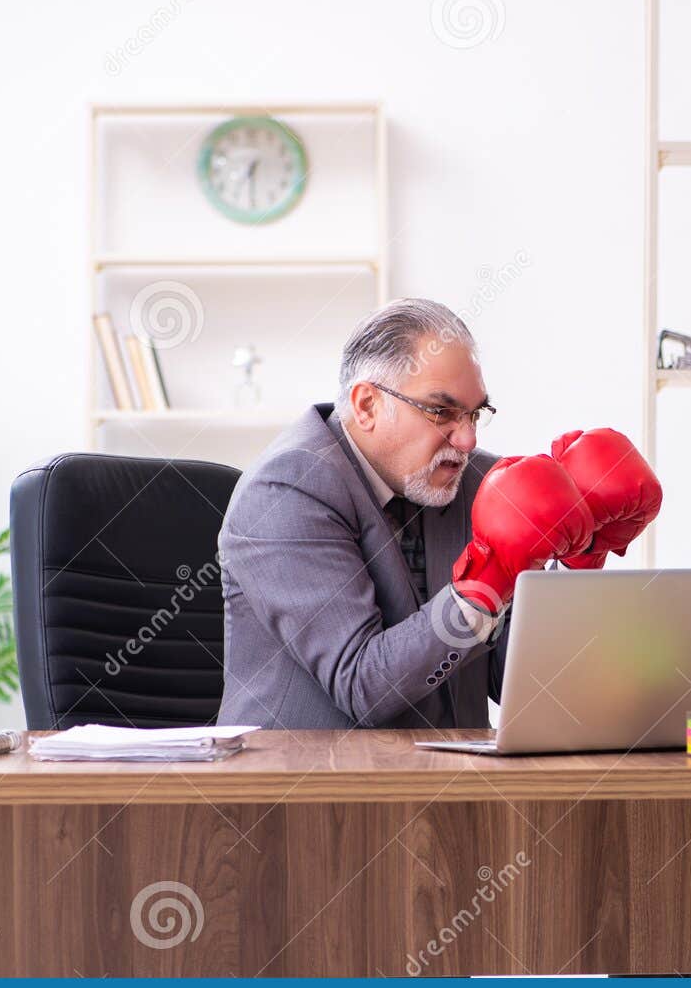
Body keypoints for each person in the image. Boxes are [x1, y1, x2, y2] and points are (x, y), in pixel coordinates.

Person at [215, 298, 662, 729]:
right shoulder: (288, 490)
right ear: (367, 405)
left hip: (453, 783)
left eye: (474, 413)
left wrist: (579, 562)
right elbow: (362, 686)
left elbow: (518, 684)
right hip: (307, 791)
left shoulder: (481, 481)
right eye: (441, 411)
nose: (466, 440)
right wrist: (485, 583)